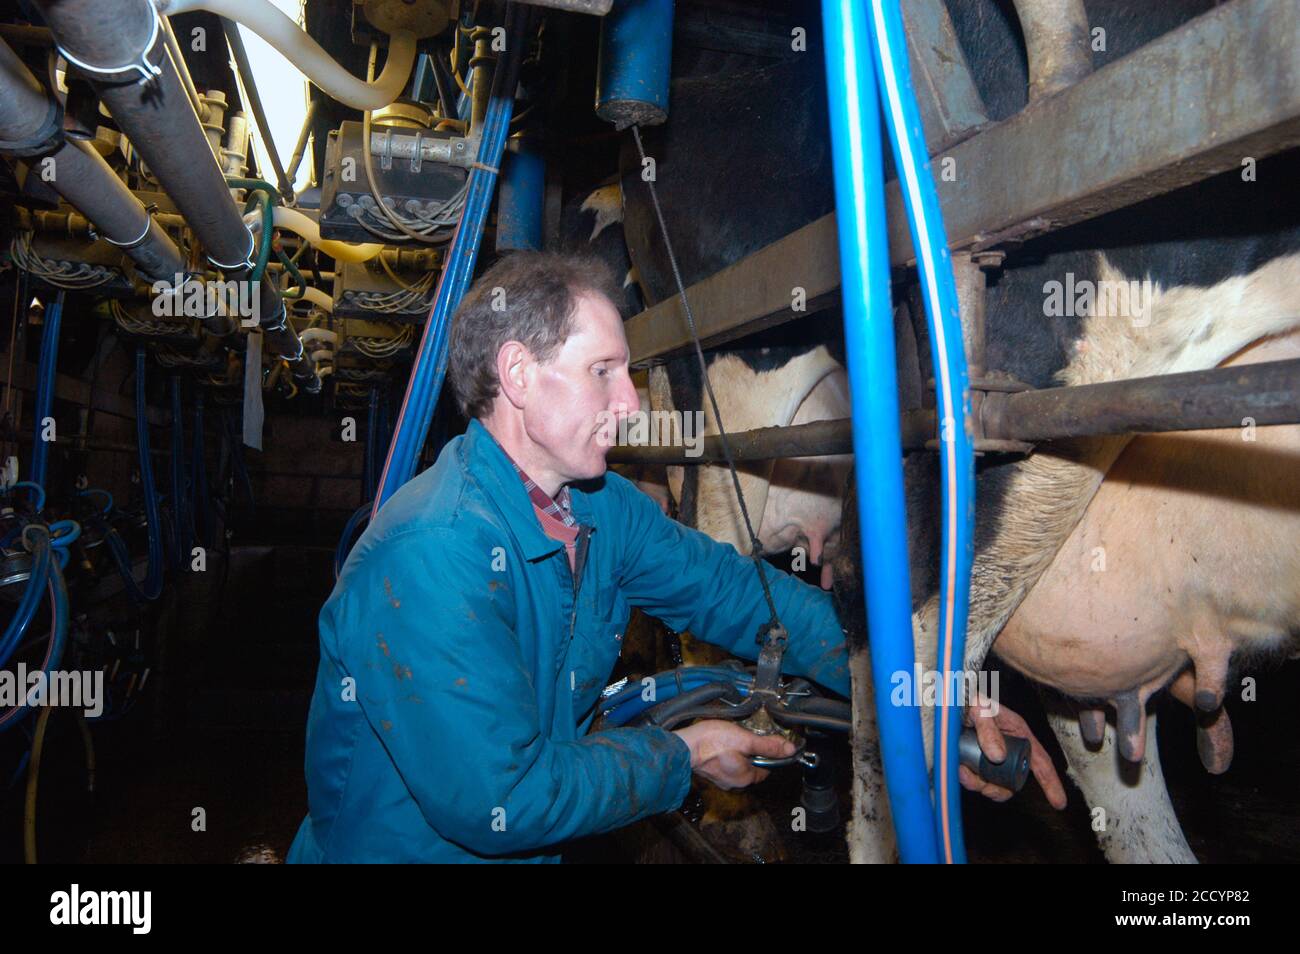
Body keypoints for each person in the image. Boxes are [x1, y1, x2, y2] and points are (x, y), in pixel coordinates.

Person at [287, 250, 1063, 863]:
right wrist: (680, 754)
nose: (631, 404)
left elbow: (741, 597)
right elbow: (504, 799)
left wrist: (934, 689)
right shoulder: (431, 556)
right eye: (603, 372)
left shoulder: (598, 508)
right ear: (519, 375)